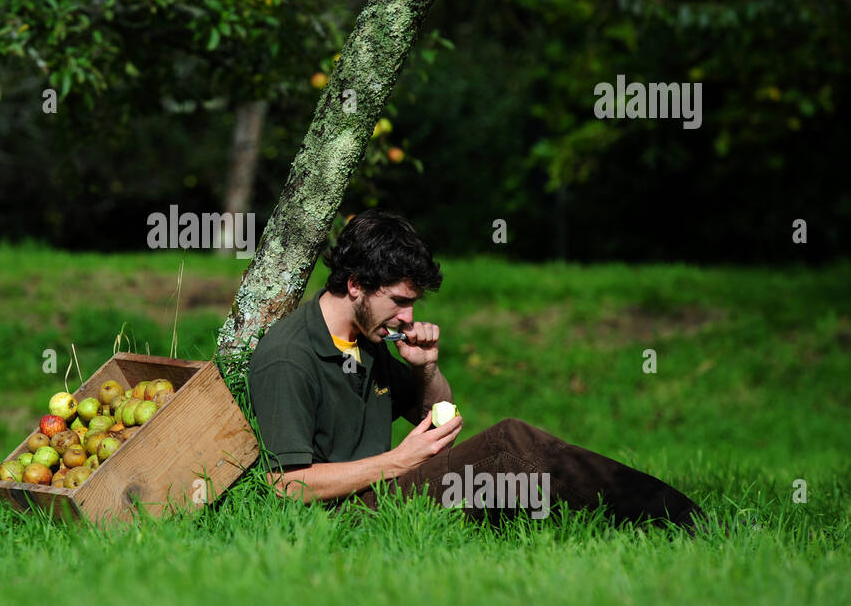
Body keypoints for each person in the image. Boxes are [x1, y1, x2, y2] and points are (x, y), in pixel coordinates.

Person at [246, 209, 705, 535]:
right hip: (345, 518)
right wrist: (396, 462)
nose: (408, 317)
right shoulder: (290, 356)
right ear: (355, 285)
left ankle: (651, 521)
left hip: (385, 492)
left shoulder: (374, 338)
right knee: (507, 445)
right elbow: (283, 485)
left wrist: (427, 369)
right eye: (401, 301)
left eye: (414, 304)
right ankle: (685, 521)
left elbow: (438, 413)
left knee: (515, 479)